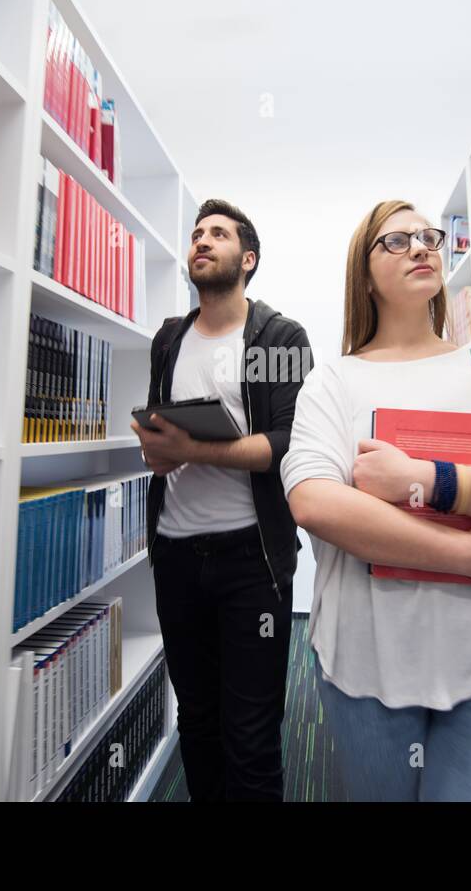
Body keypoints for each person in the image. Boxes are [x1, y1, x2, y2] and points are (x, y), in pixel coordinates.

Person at [280, 199, 471, 801]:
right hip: (364, 664)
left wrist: (424, 477)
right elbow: (315, 503)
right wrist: (469, 555)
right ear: (363, 274)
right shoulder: (332, 382)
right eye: (395, 241)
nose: (421, 247)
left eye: (428, 237)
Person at [132, 198, 312, 801]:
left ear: (248, 258)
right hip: (176, 556)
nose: (202, 241)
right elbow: (164, 433)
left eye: (218, 234)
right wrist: (157, 451)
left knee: (252, 735)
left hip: (252, 563)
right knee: (198, 722)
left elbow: (288, 442)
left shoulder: (276, 336)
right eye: (196, 234)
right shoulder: (169, 340)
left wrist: (191, 451)